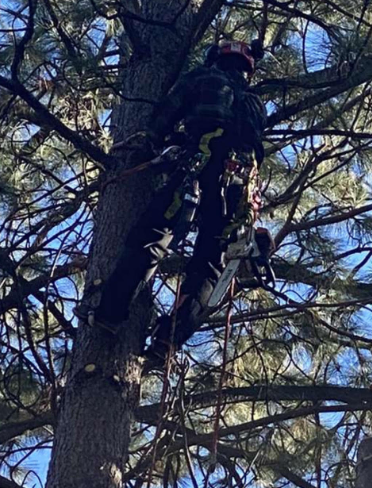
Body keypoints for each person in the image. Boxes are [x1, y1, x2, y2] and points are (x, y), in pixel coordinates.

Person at [84, 39, 267, 360]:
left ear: (216, 60)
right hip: (241, 186)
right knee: (211, 262)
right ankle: (170, 337)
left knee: (155, 234)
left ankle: (110, 313)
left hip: (197, 166)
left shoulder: (202, 78)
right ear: (246, 71)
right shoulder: (254, 104)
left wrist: (150, 142)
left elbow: (166, 115)